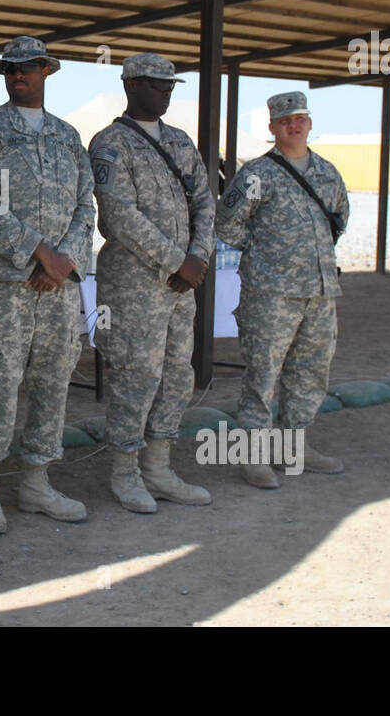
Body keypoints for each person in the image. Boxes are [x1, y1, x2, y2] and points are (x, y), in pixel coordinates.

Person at [0, 36, 94, 533]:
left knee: (53, 381)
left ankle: (36, 483)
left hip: (61, 284)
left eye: (29, 68)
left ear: (45, 72)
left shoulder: (68, 134)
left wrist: (65, 261)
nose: (20, 76)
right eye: (11, 70)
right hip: (6, 283)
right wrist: (40, 252)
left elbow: (86, 206)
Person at [88, 53, 215, 513]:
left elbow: (205, 200)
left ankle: (160, 468)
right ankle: (125, 472)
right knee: (135, 375)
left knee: (179, 374)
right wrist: (175, 261)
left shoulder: (181, 143)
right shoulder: (110, 144)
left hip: (183, 283)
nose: (165, 93)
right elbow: (119, 215)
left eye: (170, 86)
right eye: (157, 85)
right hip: (134, 284)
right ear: (131, 86)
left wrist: (198, 257)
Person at [217, 91, 349, 489]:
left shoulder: (327, 172)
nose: (295, 124)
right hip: (270, 293)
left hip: (321, 291)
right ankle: (254, 456)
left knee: (310, 373)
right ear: (272, 127)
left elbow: (338, 219)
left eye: (301, 118)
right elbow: (227, 224)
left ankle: (295, 447)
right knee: (262, 375)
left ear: (309, 123)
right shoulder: (257, 175)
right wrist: (265, 254)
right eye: (286, 119)